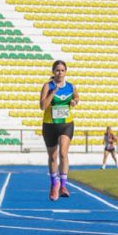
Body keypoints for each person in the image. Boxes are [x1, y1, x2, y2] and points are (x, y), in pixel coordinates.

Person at [40, 60, 78, 201]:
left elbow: (76, 97)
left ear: (66, 72)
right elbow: (43, 106)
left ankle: (63, 185)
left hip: (66, 124)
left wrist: (75, 101)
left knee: (63, 153)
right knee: (53, 157)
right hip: (50, 125)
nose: (60, 73)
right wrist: (53, 92)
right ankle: (53, 184)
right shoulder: (47, 86)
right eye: (57, 70)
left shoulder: (71, 86)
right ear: (53, 72)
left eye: (62, 70)